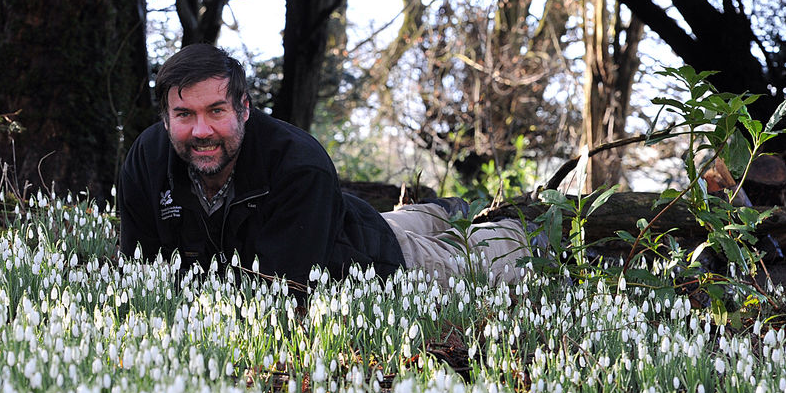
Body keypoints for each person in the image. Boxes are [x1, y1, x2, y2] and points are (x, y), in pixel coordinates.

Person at [118, 44, 529, 295]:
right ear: (166, 117)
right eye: (185, 114)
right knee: (385, 219)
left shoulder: (299, 164)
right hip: (332, 218)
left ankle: (512, 226)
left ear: (244, 109)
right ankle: (439, 210)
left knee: (481, 261)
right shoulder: (146, 160)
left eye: (216, 111)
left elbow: (283, 291)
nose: (201, 130)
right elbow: (141, 266)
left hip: (368, 256)